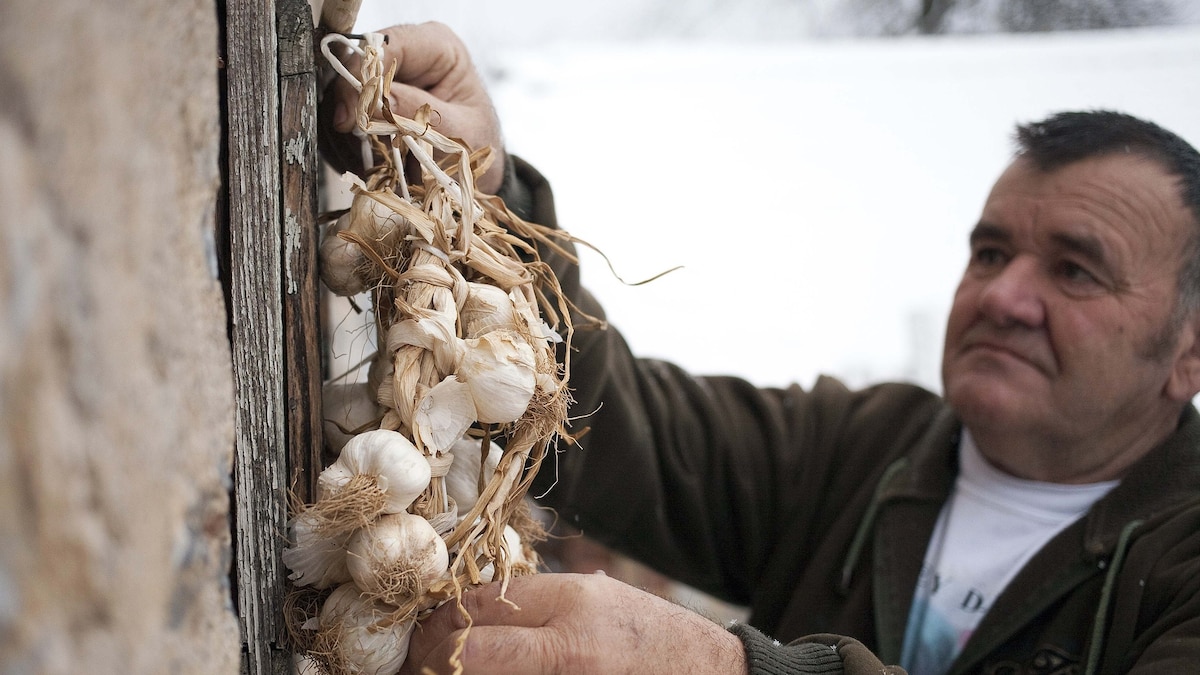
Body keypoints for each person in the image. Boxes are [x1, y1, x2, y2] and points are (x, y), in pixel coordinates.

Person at [321, 22, 1200, 675]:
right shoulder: (871, 446)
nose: (1005, 296)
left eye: (1077, 271)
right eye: (991, 252)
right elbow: (622, 425)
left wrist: (733, 668)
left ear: (1190, 350)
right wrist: (485, 195)